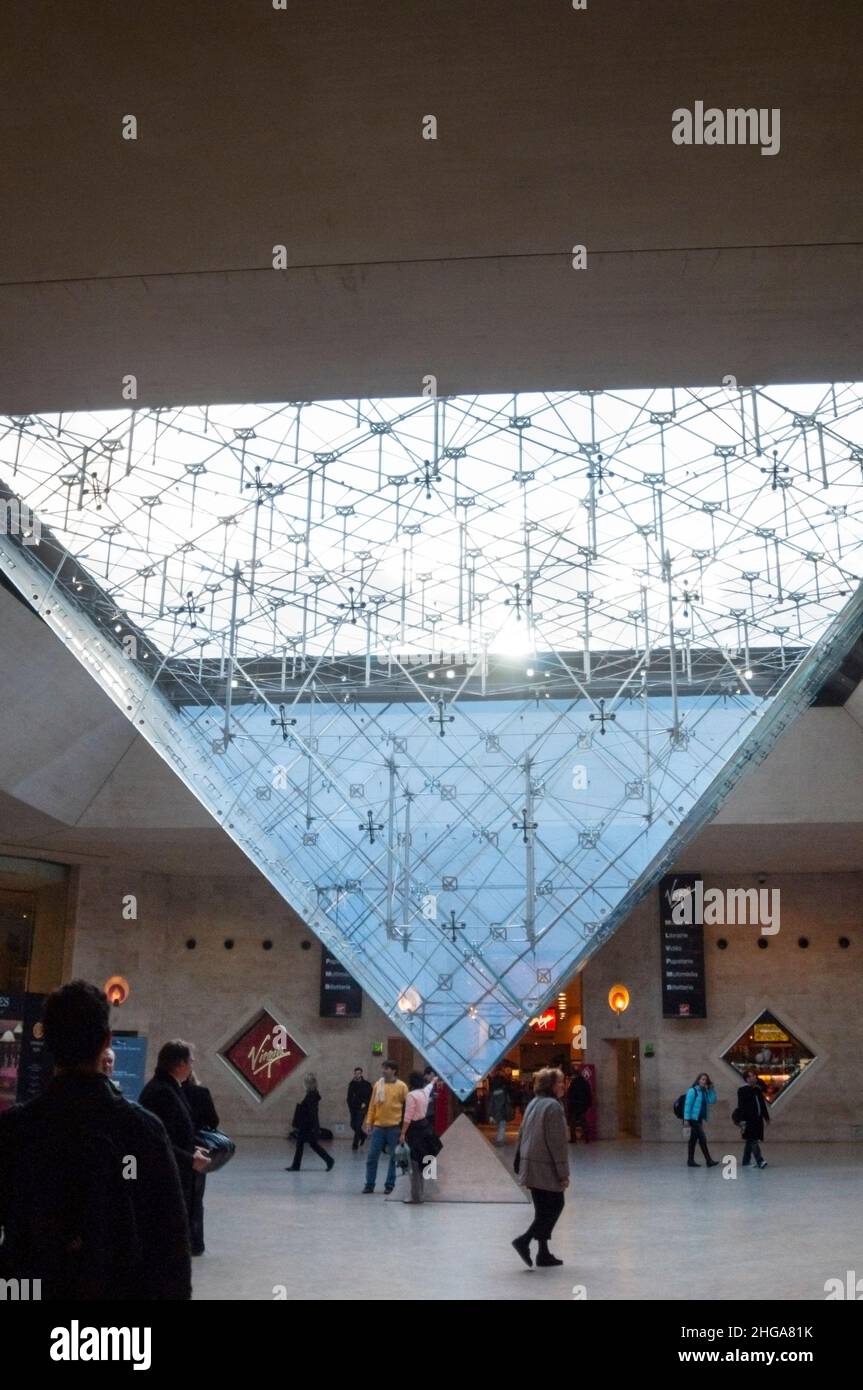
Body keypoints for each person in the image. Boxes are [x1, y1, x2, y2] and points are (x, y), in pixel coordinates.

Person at [0, 980, 191, 1299]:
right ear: (106, 1041)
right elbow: (171, 1247)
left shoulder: (15, 1129)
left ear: (48, 1043)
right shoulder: (142, 1130)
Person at [139, 1041, 211, 1256]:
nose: (193, 1064)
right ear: (179, 1064)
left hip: (176, 1169)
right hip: (167, 1173)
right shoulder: (162, 1092)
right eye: (190, 1060)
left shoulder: (170, 1088)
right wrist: (190, 1158)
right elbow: (160, 1140)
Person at [511, 1067, 570, 1269]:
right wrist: (563, 1174)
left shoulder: (534, 1103)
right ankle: (524, 1240)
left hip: (530, 1163)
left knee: (542, 1210)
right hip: (544, 1166)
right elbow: (557, 1144)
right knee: (555, 1205)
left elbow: (521, 1133)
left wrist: (518, 1159)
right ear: (551, 1086)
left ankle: (543, 1253)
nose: (563, 1085)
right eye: (560, 1082)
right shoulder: (553, 1106)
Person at [182, 1070, 220, 1255]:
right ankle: (197, 1244)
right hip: (199, 1149)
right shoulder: (201, 1093)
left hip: (178, 1150)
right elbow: (213, 1121)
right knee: (196, 1199)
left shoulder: (171, 1093)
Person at [362, 1059, 407, 1194]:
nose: (383, 1071)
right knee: (372, 1156)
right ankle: (369, 1184)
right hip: (378, 1127)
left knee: (393, 1158)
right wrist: (369, 1123)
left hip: (394, 1127)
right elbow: (372, 1105)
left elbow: (408, 1106)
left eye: (386, 1068)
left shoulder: (402, 1086)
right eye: (383, 1068)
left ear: (394, 1071)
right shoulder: (377, 1085)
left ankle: (390, 1185)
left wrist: (404, 1128)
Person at [399, 1071, 436, 1204]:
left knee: (413, 1165)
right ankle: (420, 1194)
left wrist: (403, 1133)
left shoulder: (411, 1095)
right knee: (422, 1164)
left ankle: (415, 1197)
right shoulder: (424, 1093)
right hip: (425, 1128)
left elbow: (408, 1117)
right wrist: (433, 1081)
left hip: (414, 1131)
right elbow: (430, 1086)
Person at [287, 1073, 334, 1171]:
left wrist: (315, 1127)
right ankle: (329, 1160)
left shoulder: (311, 1096)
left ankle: (296, 1166)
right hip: (308, 1125)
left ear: (308, 1084)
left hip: (307, 1125)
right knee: (310, 1144)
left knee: (305, 1144)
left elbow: (313, 1113)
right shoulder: (312, 1094)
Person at [683, 1072, 719, 1168]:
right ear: (698, 1080)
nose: (704, 1081)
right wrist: (686, 1119)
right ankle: (708, 1160)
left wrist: (711, 1089)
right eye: (702, 1079)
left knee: (693, 1140)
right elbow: (688, 1105)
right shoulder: (692, 1091)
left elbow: (712, 1100)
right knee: (702, 1138)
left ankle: (690, 1161)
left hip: (699, 1119)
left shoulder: (704, 1092)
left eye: (706, 1080)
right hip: (692, 1119)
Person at [737, 1068, 770, 1169]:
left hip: (757, 1119)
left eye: (754, 1076)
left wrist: (766, 1117)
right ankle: (760, 1160)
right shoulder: (743, 1090)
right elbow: (741, 1105)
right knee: (753, 1140)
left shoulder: (757, 1089)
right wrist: (741, 1120)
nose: (754, 1077)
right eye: (751, 1076)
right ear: (747, 1079)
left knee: (750, 1140)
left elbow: (762, 1104)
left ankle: (745, 1161)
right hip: (748, 1120)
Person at [347, 1066, 372, 1151]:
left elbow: (370, 1096)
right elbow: (349, 1096)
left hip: (362, 1108)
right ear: (354, 1074)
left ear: (361, 1074)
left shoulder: (366, 1084)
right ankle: (363, 1135)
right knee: (352, 1125)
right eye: (356, 1073)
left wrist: (365, 1103)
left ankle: (355, 1144)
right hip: (353, 1108)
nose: (357, 1075)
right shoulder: (352, 1084)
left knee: (358, 1125)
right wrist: (350, 1105)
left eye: (359, 1073)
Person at [565, 1065, 592, 1143]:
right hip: (583, 1105)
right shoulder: (585, 1082)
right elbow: (589, 1093)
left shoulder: (573, 1083)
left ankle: (573, 1138)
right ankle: (587, 1137)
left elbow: (570, 1095)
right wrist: (588, 1104)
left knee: (572, 1122)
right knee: (583, 1121)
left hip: (574, 1105)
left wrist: (569, 1105)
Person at [488, 1071, 512, 1146]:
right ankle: (500, 1140)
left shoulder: (493, 1094)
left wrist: (491, 1115)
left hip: (495, 1112)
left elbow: (490, 1104)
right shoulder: (504, 1093)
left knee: (499, 1126)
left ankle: (500, 1139)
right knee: (502, 1126)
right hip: (502, 1112)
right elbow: (508, 1102)